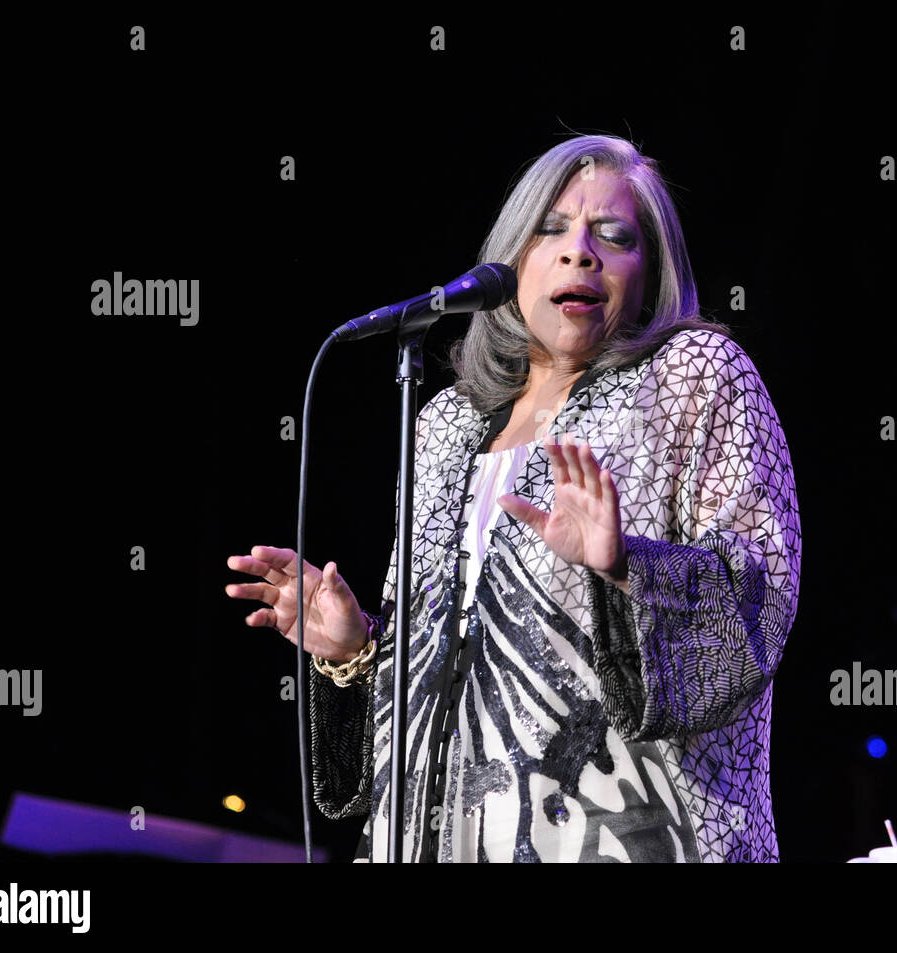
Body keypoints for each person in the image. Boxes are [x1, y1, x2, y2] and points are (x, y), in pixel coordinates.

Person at [225, 134, 802, 862]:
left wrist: (628, 563)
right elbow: (448, 693)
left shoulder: (697, 375)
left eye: (614, 236)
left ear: (649, 270)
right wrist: (357, 648)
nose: (579, 251)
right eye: (551, 229)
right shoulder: (447, 422)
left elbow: (759, 598)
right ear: (509, 262)